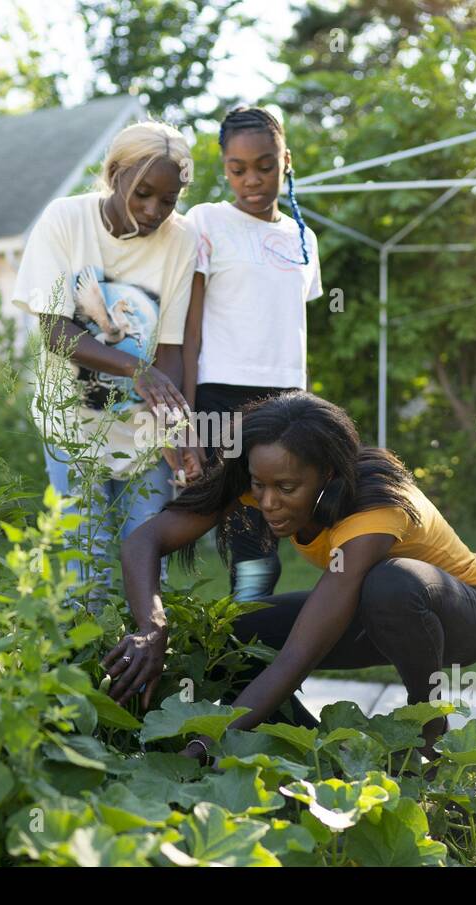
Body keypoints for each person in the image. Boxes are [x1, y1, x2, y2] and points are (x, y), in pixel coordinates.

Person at [104, 391, 476, 768]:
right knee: (229, 635)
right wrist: (151, 627)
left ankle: (431, 733)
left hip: (461, 615)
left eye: (286, 488)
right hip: (369, 608)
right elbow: (145, 540)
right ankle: (323, 757)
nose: (268, 502)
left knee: (389, 584)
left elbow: (298, 656)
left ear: (326, 474)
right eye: (259, 485)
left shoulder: (375, 508)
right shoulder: (262, 475)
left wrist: (207, 743)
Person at [11, 120, 204, 607]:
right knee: (85, 570)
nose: (153, 210)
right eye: (143, 192)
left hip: (142, 432)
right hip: (72, 425)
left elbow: (172, 350)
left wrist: (175, 432)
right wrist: (135, 370)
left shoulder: (181, 241)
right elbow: (55, 330)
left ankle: (143, 671)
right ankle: (85, 678)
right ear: (114, 173)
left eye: (168, 199)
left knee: (148, 567)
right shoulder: (65, 221)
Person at [181, 104, 323, 601]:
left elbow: (288, 326)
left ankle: (252, 650)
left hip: (286, 404)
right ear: (225, 168)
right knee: (235, 526)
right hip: (221, 396)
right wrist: (185, 418)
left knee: (267, 533)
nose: (252, 180)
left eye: (265, 165)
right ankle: (232, 650)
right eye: (237, 169)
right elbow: (189, 326)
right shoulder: (205, 222)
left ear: (286, 161)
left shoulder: (303, 238)